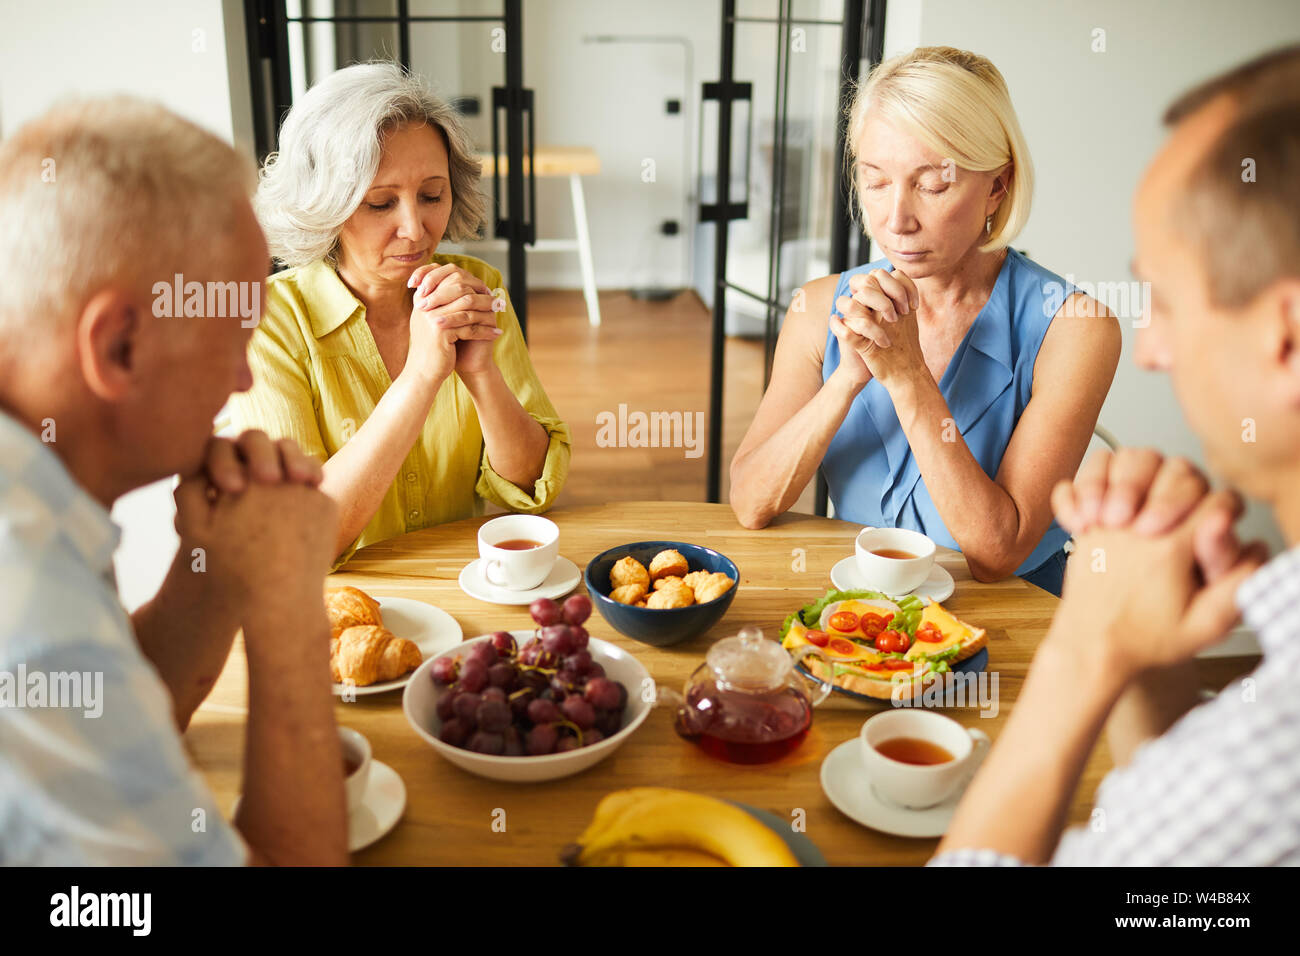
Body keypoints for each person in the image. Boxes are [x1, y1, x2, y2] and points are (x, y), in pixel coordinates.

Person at [932, 44, 1300, 866]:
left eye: (1163, 301)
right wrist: (1137, 648)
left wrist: (1084, 648)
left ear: (1287, 339)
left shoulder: (1274, 764)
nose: (1153, 350)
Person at [0, 97, 347, 865]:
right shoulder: (29, 609)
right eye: (233, 338)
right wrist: (289, 610)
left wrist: (217, 570)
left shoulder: (36, 491)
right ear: (120, 346)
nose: (242, 376)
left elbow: (119, 702)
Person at [730, 46, 1120, 596]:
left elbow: (996, 552)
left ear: (997, 186)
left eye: (933, 185)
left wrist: (908, 375)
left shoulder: (1076, 327)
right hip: (860, 613)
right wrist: (849, 376)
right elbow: (751, 502)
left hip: (1013, 623)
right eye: (876, 180)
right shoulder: (819, 308)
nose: (896, 221)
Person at [226, 62, 571, 565]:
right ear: (327, 206)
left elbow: (530, 487)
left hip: (458, 592)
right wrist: (420, 378)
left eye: (432, 195)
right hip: (339, 612)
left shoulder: (479, 288)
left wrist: (481, 373)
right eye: (380, 204)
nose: (416, 228)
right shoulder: (267, 321)